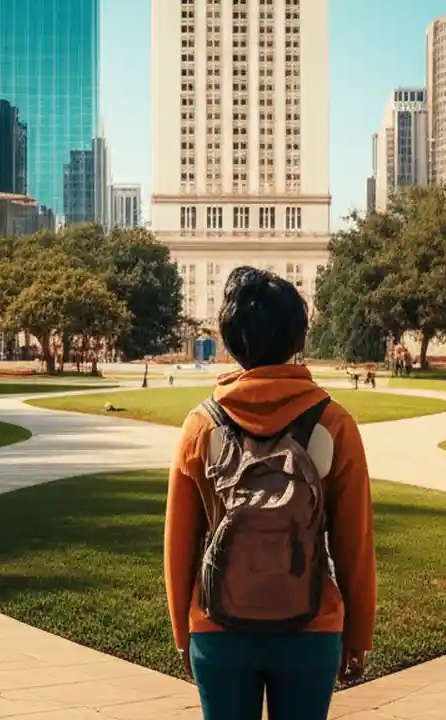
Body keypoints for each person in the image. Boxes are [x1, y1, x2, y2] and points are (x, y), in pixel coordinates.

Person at [165, 267, 377, 720]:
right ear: (298, 341)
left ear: (230, 341)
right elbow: (354, 546)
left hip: (218, 628)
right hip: (311, 628)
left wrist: (184, 634)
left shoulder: (200, 426)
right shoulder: (334, 424)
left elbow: (179, 546)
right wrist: (357, 636)